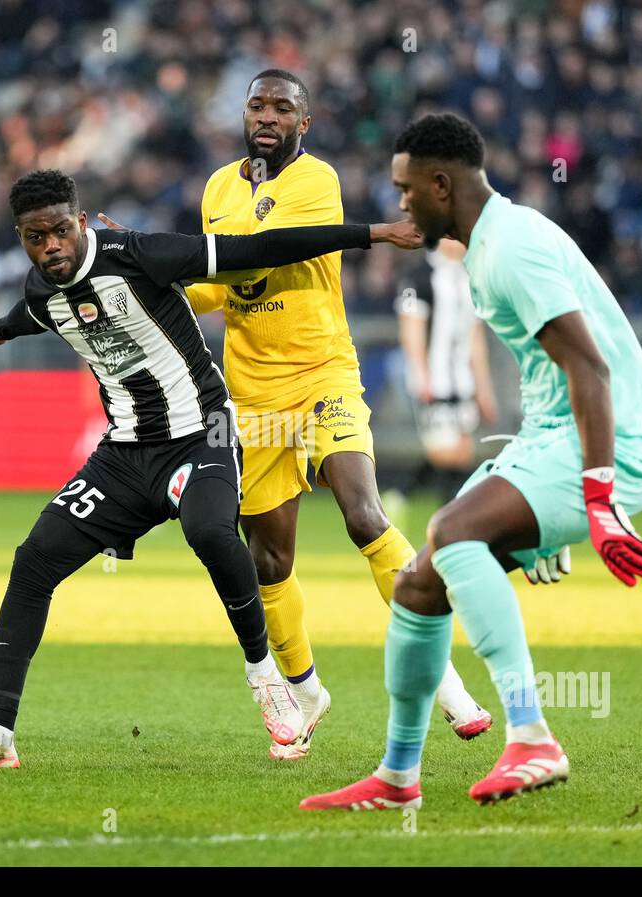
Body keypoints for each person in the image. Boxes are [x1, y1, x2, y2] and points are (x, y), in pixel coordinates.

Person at [0, 169, 422, 770]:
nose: (50, 246)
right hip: (124, 457)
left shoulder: (143, 256)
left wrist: (372, 234)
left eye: (59, 231)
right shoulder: (41, 292)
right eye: (35, 237)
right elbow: (29, 315)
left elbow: (256, 250)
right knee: (32, 563)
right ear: (22, 239)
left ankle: (267, 681)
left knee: (209, 530)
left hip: (201, 437)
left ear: (81, 223)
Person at [105, 69, 492, 760]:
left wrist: (157, 254)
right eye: (257, 103)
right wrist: (145, 279)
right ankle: (305, 689)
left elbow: (267, 253)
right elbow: (221, 286)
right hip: (252, 396)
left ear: (303, 124)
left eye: (283, 107)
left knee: (365, 515)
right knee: (269, 558)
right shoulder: (219, 189)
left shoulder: (318, 183)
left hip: (324, 376)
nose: (267, 116)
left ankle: (447, 684)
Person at [301, 114, 642, 810]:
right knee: (418, 585)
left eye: (407, 190)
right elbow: (551, 377)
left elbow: (589, 370)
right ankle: (398, 777)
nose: (402, 204)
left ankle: (532, 736)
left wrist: (594, 498)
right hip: (557, 439)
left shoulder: (510, 250)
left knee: (454, 531)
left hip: (615, 445)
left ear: (442, 184)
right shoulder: (489, 245)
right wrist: (529, 495)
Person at [397, 236, 500, 500]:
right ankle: (439, 518)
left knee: (462, 454)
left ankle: (405, 494)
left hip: (463, 382)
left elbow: (476, 339)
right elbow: (411, 328)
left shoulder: (472, 280)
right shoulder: (418, 277)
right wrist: (421, 376)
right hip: (435, 382)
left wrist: (483, 388)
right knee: (446, 454)